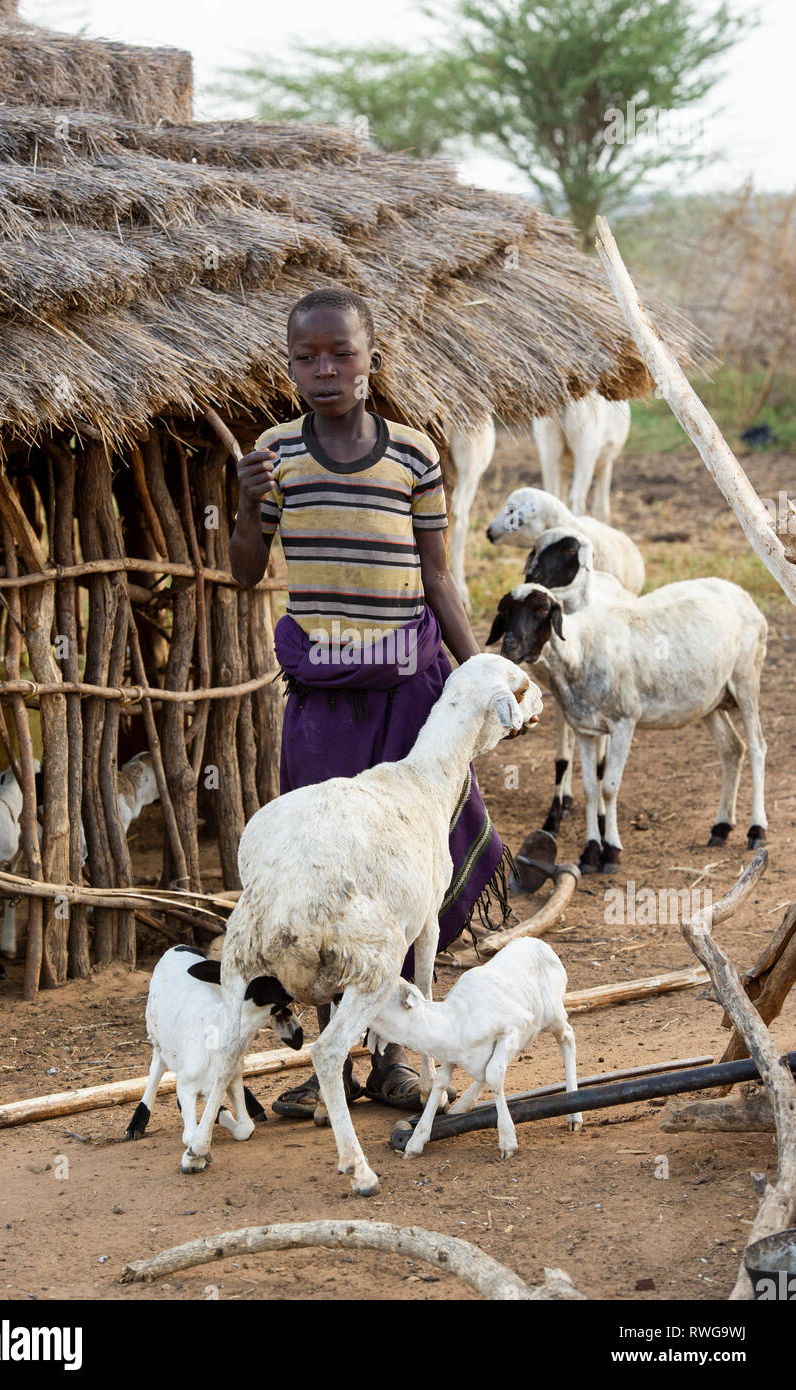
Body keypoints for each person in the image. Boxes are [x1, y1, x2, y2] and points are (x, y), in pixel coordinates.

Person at [229, 287, 517, 1114]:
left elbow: (437, 579)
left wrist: (481, 679)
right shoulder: (274, 454)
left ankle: (393, 1058)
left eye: (340, 354)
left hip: (408, 696)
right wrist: (247, 501)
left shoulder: (414, 456)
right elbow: (246, 571)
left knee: (405, 880)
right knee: (322, 875)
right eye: (306, 356)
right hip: (322, 699)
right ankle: (326, 1062)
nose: (324, 370)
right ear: (288, 365)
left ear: (370, 360)